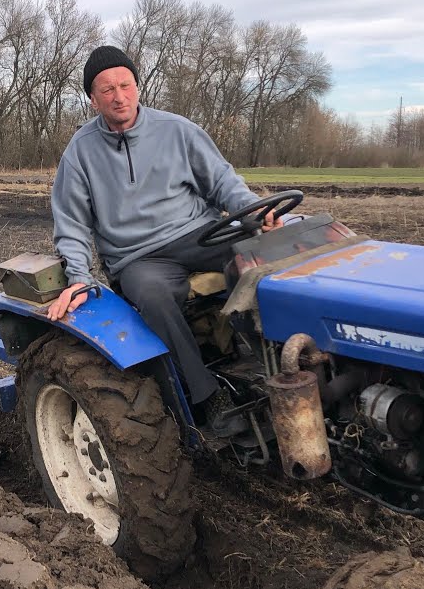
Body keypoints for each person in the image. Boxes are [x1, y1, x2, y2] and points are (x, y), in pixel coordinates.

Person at [46, 45, 281, 437]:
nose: (119, 96)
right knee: (153, 297)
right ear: (93, 99)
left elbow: (223, 183)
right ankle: (208, 397)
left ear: (138, 87)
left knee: (267, 253)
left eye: (125, 85)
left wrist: (257, 211)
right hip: (138, 256)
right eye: (107, 90)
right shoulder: (80, 153)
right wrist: (78, 278)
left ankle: (273, 360)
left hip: (199, 234)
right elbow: (70, 223)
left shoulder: (178, 130)